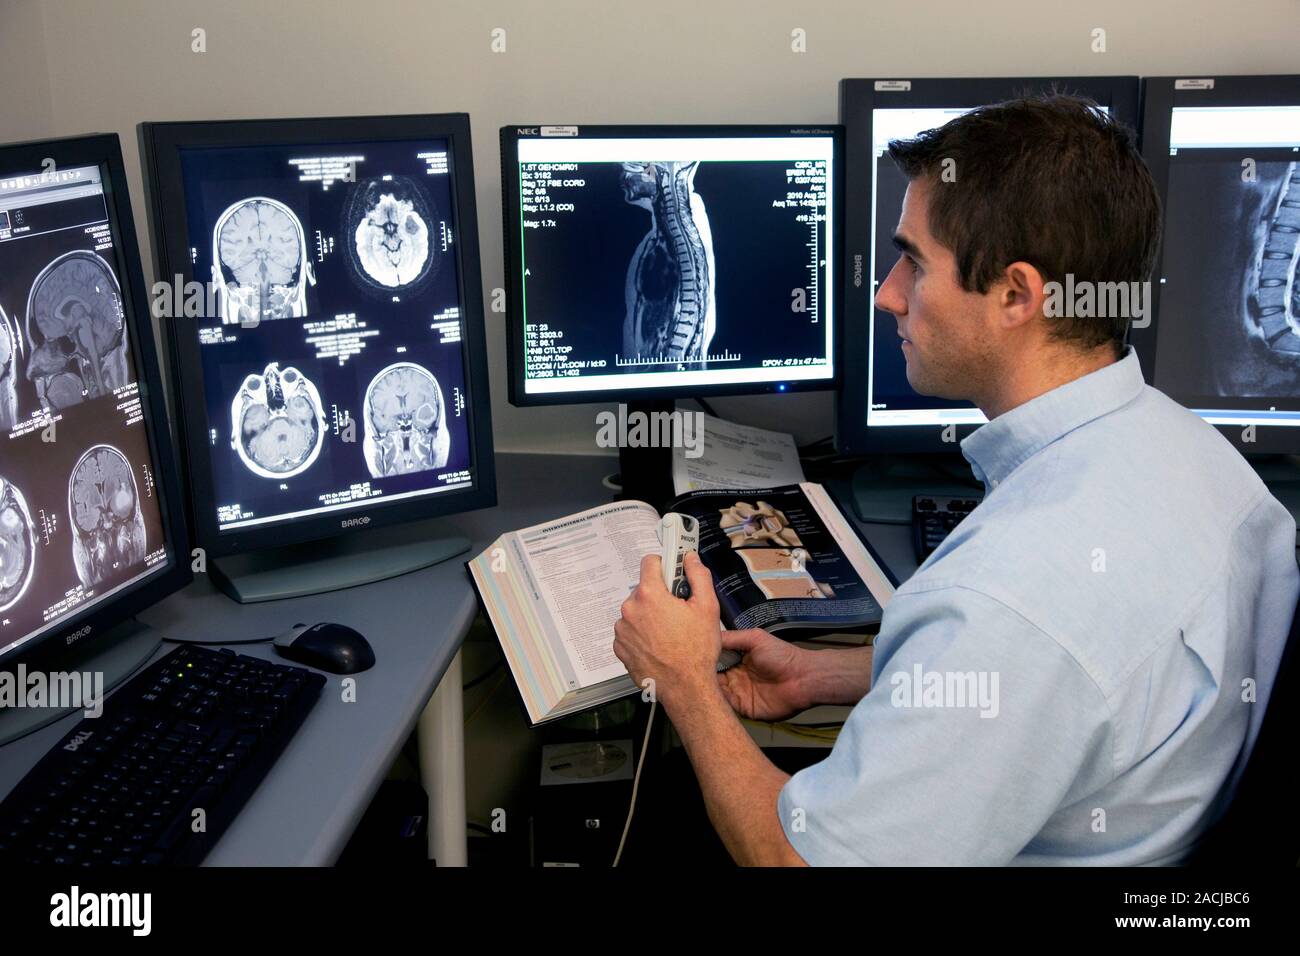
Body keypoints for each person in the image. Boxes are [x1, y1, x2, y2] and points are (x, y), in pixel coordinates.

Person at [612, 94, 1300, 866]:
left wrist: (683, 683)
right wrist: (831, 671)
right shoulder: (1188, 449)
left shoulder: (1006, 599)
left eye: (913, 261)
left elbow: (792, 861)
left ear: (1015, 295)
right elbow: (1071, 684)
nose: (886, 295)